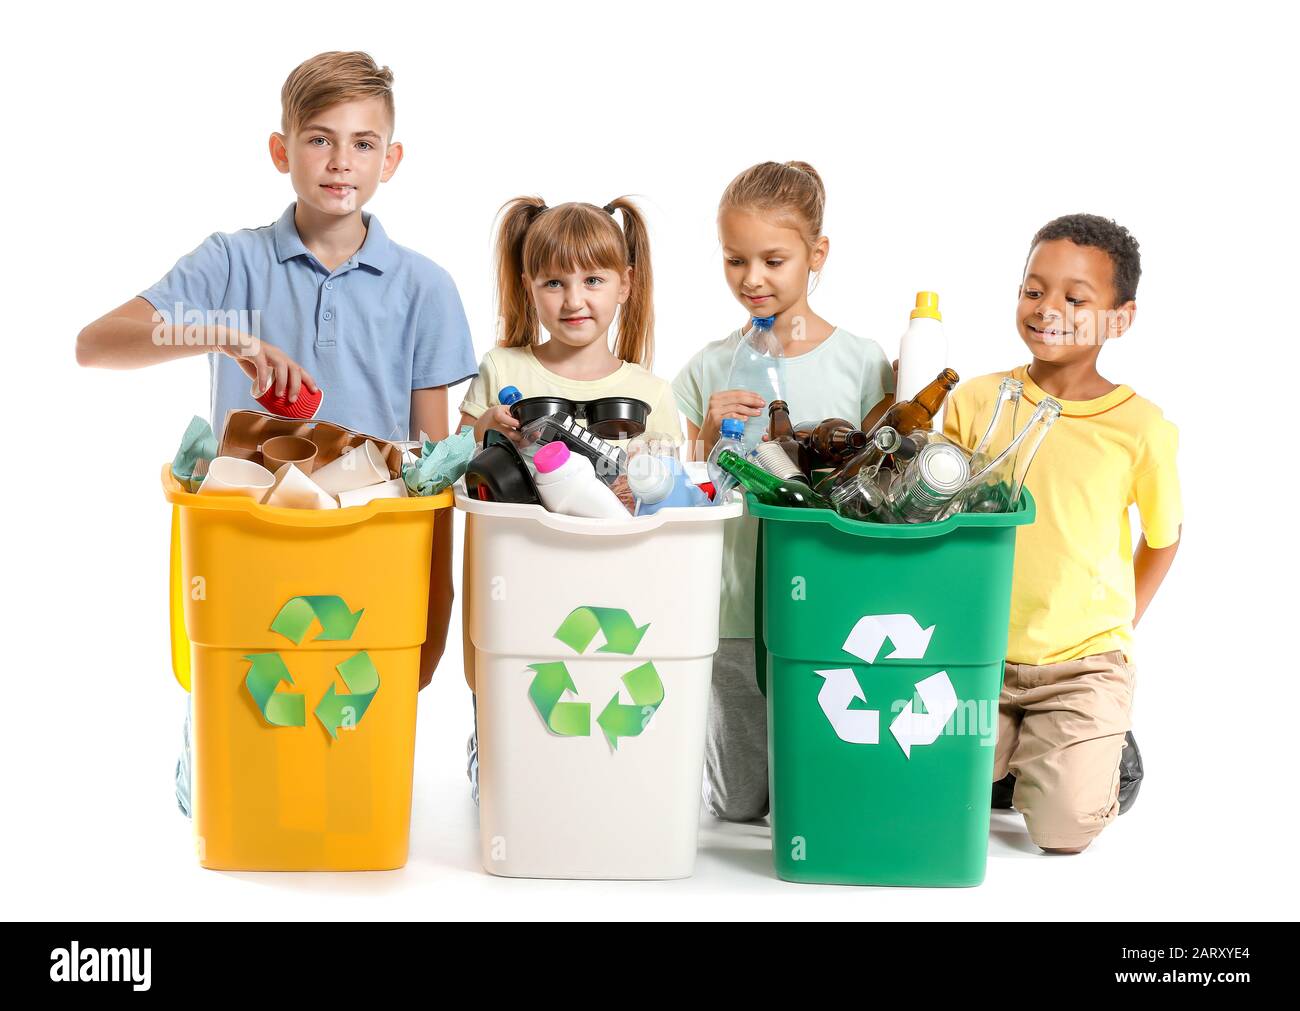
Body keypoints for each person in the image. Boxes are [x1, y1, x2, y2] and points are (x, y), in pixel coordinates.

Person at [76, 51, 477, 816]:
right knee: (246, 751)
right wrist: (223, 332)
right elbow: (96, 344)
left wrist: (438, 601)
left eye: (363, 143)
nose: (340, 162)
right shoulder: (233, 263)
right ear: (281, 149)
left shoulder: (425, 287)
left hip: (369, 547)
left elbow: (434, 469)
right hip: (250, 541)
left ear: (390, 160)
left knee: (343, 751)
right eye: (319, 139)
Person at [944, 213, 1182, 853]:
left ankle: (1103, 753)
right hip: (982, 653)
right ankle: (1023, 755)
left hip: (1082, 661)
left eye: (1076, 298)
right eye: (1033, 290)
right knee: (935, 787)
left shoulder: (1139, 428)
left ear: (1119, 318)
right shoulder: (976, 400)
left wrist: (1119, 624)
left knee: (1063, 833)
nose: (1049, 308)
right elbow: (936, 505)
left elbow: (1163, 537)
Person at [673, 160, 894, 821]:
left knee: (821, 791)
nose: (753, 279)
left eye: (774, 259)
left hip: (831, 604)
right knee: (741, 805)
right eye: (735, 260)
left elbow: (887, 485)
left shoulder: (860, 360)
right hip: (737, 603)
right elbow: (683, 493)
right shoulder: (708, 367)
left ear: (816, 254)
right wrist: (708, 436)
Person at [459, 195, 680, 802]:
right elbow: (454, 467)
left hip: (612, 583)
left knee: (596, 677)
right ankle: (497, 753)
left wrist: (646, 482)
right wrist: (485, 428)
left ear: (625, 284)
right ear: (528, 286)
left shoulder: (650, 392)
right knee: (517, 672)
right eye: (553, 282)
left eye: (593, 280)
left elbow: (676, 495)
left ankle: (607, 774)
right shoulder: (503, 367)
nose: (574, 300)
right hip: (518, 577)